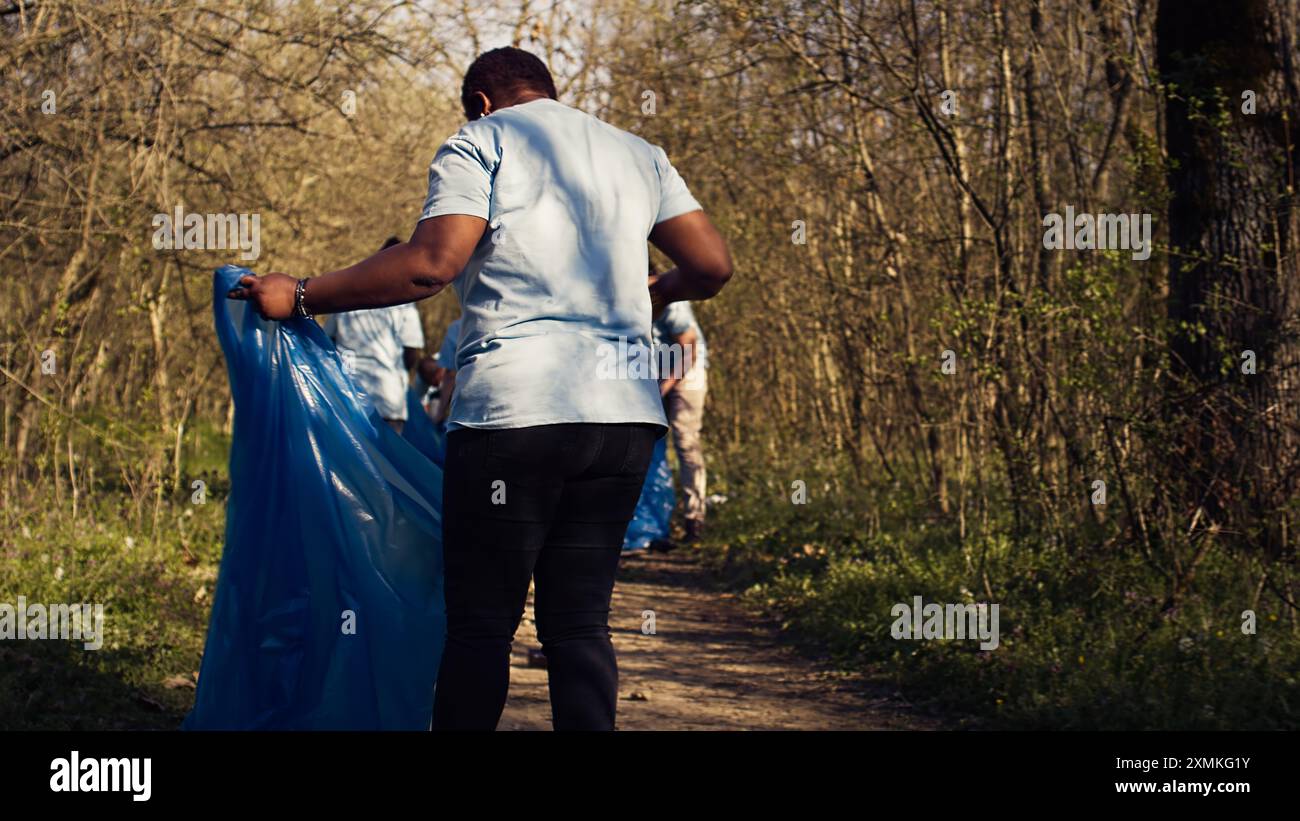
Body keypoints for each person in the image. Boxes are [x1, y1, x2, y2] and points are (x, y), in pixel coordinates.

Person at [228, 46, 732, 731]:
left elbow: (431, 264)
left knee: (481, 628)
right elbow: (711, 263)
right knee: (580, 627)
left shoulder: (480, 141)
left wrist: (305, 294)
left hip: (513, 416)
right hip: (622, 417)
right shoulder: (636, 151)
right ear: (549, 92)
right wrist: (657, 289)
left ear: (482, 101)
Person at [320, 236, 426, 434]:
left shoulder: (347, 291)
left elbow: (328, 340)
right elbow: (412, 351)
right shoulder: (405, 301)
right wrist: (398, 370)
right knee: (389, 461)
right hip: (388, 395)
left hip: (349, 393)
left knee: (350, 459)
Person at [653, 297, 710, 544]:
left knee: (685, 441)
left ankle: (694, 519)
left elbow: (688, 349)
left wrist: (664, 388)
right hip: (655, 369)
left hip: (688, 369)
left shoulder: (671, 301)